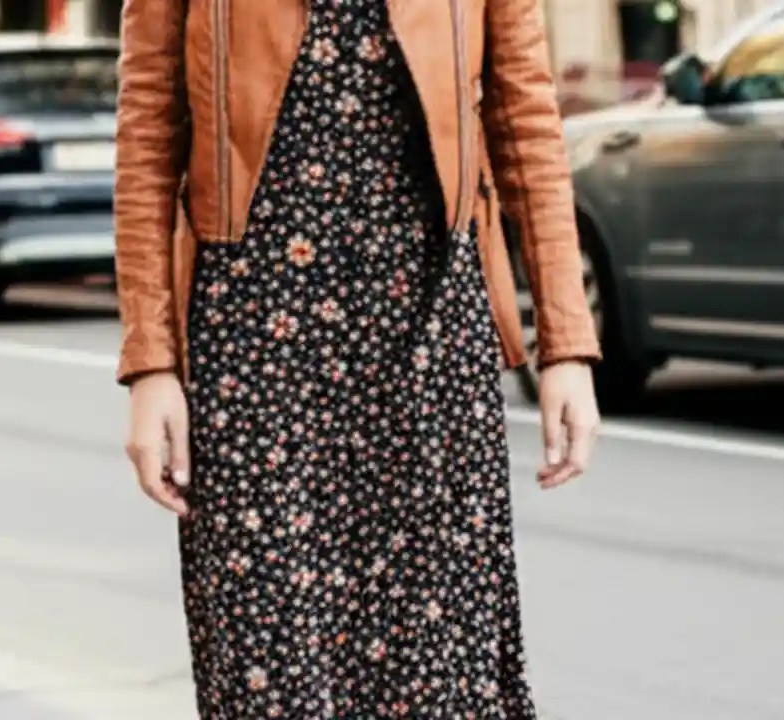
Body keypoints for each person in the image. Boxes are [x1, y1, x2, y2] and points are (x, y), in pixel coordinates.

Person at [114, 0, 602, 716]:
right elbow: (149, 128)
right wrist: (151, 363)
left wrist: (564, 344)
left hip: (429, 338)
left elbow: (524, 111)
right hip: (254, 342)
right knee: (272, 671)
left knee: (439, 676)